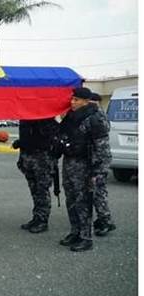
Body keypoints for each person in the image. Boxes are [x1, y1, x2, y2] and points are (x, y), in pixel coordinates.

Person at [57, 87, 112, 252]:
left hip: (86, 166)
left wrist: (98, 172)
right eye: (72, 99)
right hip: (70, 163)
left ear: (86, 101)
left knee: (83, 201)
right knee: (71, 200)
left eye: (76, 100)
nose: (72, 102)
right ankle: (75, 232)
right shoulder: (71, 117)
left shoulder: (94, 119)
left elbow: (102, 149)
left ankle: (86, 237)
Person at [12, 118, 59, 233]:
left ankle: (43, 220)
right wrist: (20, 142)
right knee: (34, 190)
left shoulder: (46, 118)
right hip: (28, 158)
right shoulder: (25, 118)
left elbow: (50, 135)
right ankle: (37, 217)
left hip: (42, 159)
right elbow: (28, 136)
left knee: (42, 190)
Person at [88, 92, 116, 236]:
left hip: (100, 159)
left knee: (98, 191)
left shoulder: (97, 116)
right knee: (98, 190)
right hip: (98, 158)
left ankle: (105, 220)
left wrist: (96, 164)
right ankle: (104, 219)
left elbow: (99, 144)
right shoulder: (97, 114)